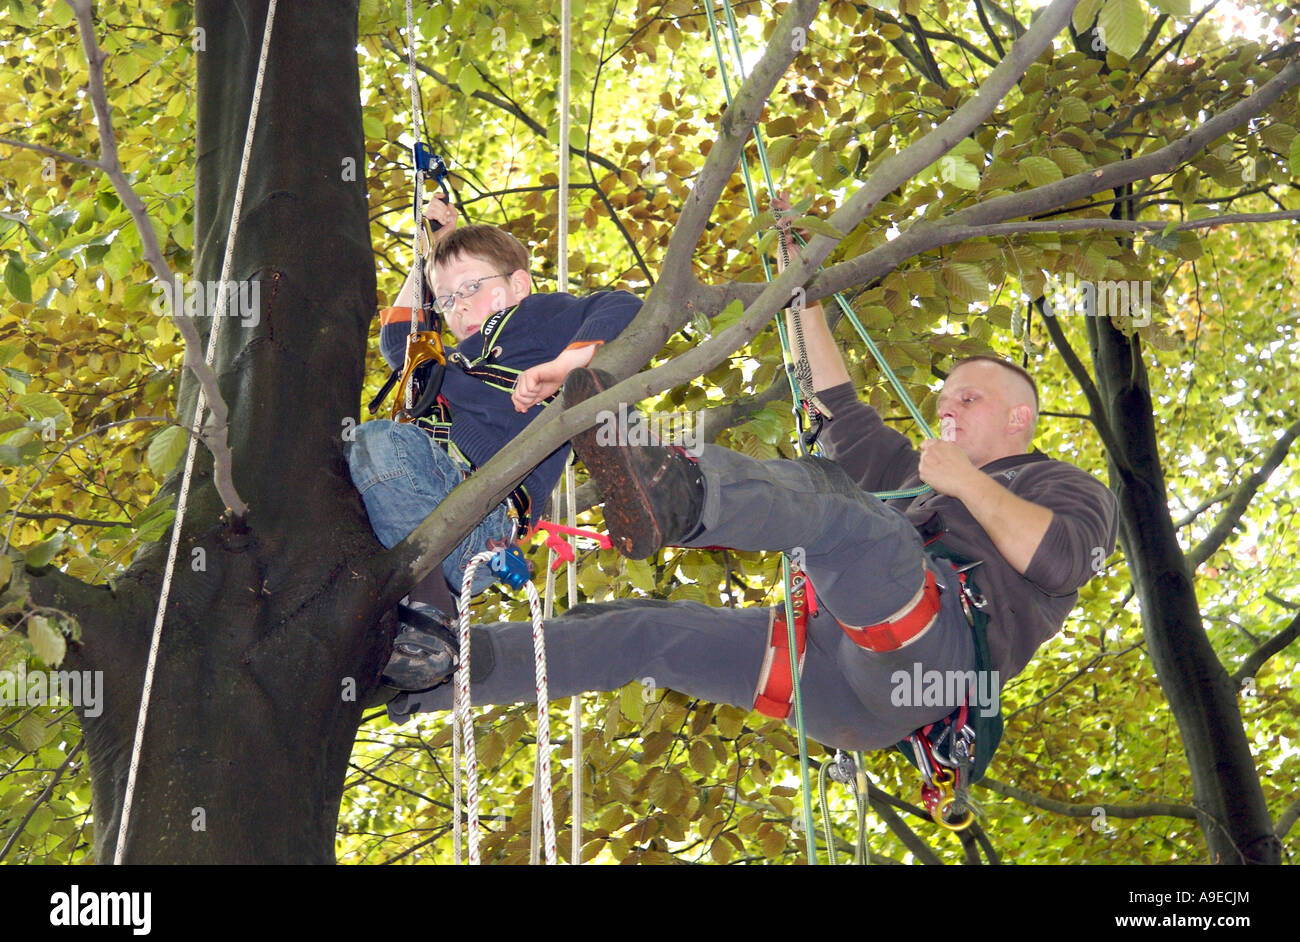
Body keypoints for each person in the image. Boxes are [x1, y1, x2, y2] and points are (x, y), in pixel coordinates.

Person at [386, 233, 1118, 784]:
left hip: (937, 656)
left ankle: (681, 493)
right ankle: (425, 674)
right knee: (645, 633)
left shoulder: (1062, 486)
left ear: (1020, 420)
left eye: (968, 396)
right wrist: (801, 292)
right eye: (945, 394)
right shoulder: (916, 476)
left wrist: (965, 481)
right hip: (837, 685)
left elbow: (1058, 558)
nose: (945, 407)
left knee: (844, 510)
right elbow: (838, 409)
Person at [350, 196, 640, 689]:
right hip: (435, 517)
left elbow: (622, 305)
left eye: (470, 288)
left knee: (378, 442)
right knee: (360, 455)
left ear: (518, 285)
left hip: (486, 506)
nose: (458, 306)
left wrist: (560, 370)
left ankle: (431, 610)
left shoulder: (533, 320)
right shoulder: (445, 362)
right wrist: (428, 255)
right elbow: (397, 339)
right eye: (446, 300)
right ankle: (424, 610)